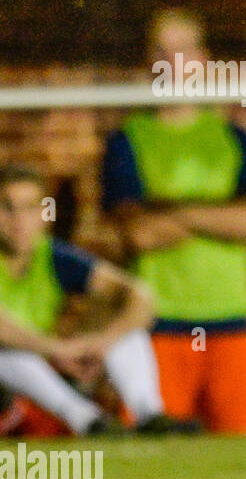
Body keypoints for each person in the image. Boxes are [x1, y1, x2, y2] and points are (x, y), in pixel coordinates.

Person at [101, 9, 246, 434]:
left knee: (242, 453)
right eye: (162, 51)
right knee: (151, 447)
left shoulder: (233, 138)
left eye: (183, 50)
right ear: (148, 60)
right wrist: (218, 215)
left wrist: (173, 211)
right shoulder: (127, 140)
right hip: (155, 323)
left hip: (231, 318)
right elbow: (138, 233)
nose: (173, 62)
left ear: (204, 59)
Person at [0, 164, 186, 435]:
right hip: (15, 381)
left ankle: (149, 415)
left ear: (44, 214)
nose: (18, 220)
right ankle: (86, 419)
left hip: (48, 368)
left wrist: (99, 343)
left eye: (29, 208)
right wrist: (57, 349)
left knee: (125, 330)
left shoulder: (53, 256)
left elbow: (140, 297)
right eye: (7, 208)